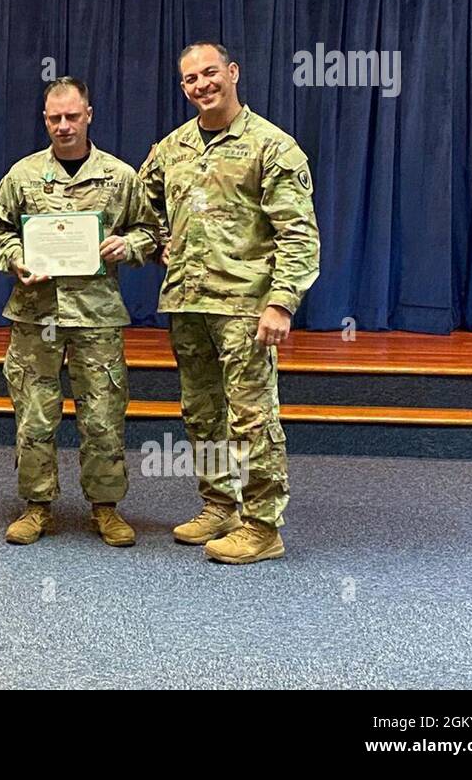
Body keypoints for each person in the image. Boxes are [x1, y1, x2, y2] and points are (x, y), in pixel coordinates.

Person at [139, 42, 320, 564]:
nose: (202, 85)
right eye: (191, 79)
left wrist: (281, 303)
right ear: (184, 87)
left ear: (233, 72)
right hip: (188, 303)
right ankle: (220, 504)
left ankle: (263, 526)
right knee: (201, 413)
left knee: (252, 417)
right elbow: (141, 206)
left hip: (245, 306)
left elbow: (299, 235)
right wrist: (157, 241)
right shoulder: (172, 148)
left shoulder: (272, 146)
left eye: (210, 73)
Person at [0, 77, 160, 546]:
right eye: (54, 118)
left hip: (97, 315)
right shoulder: (21, 177)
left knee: (103, 415)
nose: (63, 126)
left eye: (72, 116)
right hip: (34, 315)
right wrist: (15, 257)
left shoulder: (120, 177)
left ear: (89, 115)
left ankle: (105, 507)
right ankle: (36, 505)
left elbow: (152, 232)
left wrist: (128, 245)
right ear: (45, 120)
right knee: (34, 415)